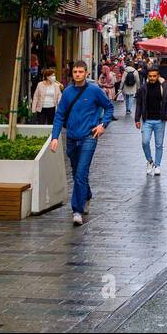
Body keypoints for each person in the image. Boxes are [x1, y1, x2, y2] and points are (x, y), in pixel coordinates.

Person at [48, 61, 114, 225]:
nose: (77, 74)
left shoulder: (94, 91)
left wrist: (103, 124)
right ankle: (87, 195)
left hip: (89, 137)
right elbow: (59, 115)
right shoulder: (68, 92)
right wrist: (55, 137)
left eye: (80, 71)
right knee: (77, 171)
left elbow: (109, 107)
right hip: (71, 137)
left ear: (86, 73)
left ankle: (77, 210)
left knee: (81, 173)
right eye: (75, 72)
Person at [135, 66, 167, 175]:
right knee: (145, 142)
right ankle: (150, 160)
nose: (152, 78)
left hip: (160, 120)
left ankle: (158, 165)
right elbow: (139, 104)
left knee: (159, 144)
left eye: (154, 76)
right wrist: (137, 118)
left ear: (158, 76)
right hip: (147, 120)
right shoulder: (143, 88)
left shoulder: (164, 87)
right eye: (150, 76)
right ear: (147, 76)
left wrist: (166, 115)